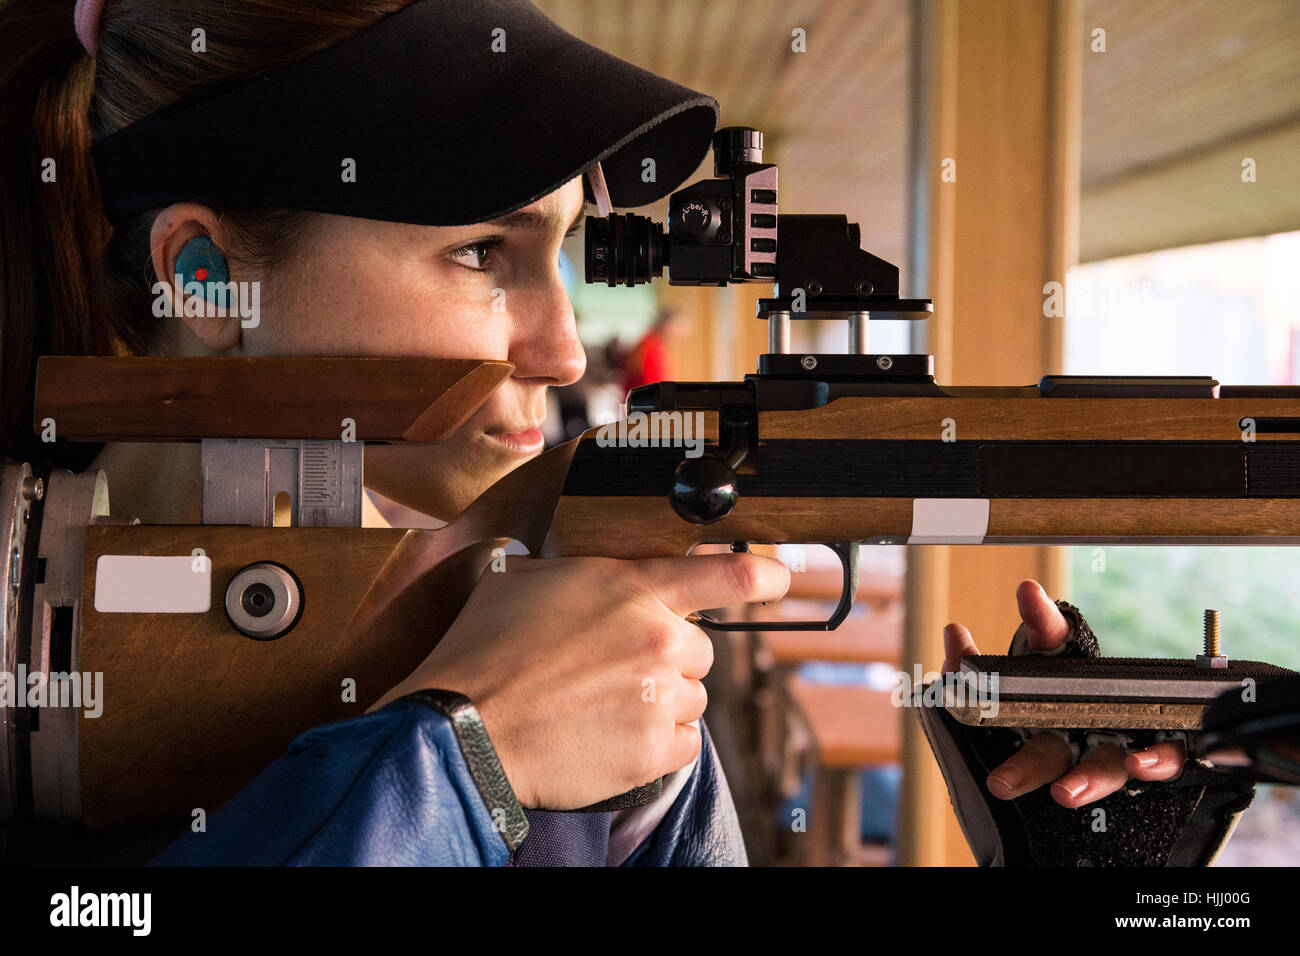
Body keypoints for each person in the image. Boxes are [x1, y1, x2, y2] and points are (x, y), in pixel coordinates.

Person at [0, 0, 1183, 867]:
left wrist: (1077, 854)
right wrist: (464, 763)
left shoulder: (523, 615)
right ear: (205, 281)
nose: (563, 350)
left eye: (560, 254)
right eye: (480, 253)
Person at [622, 305, 691, 393]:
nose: (682, 334)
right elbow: (656, 388)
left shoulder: (651, 343)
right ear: (667, 325)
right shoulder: (652, 348)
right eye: (679, 326)